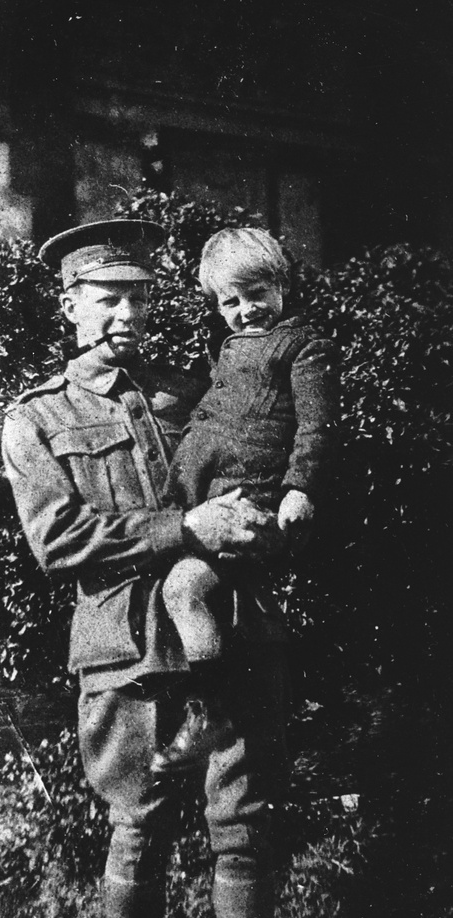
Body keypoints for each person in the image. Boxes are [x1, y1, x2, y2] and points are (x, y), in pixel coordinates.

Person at [2, 219, 314, 918]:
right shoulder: (36, 419)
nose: (126, 317)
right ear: (69, 306)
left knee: (241, 822)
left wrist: (267, 518)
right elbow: (58, 540)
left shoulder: (201, 388)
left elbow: (276, 457)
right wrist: (187, 531)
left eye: (138, 301)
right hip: (120, 646)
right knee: (136, 826)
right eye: (107, 301)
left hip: (232, 628)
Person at [152, 227, 340, 774]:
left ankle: (209, 712)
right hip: (216, 495)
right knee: (178, 587)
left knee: (184, 588)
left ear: (280, 285)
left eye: (256, 293)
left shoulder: (304, 346)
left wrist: (300, 488)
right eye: (229, 301)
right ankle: (201, 704)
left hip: (255, 500)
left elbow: (317, 427)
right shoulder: (230, 349)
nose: (245, 310)